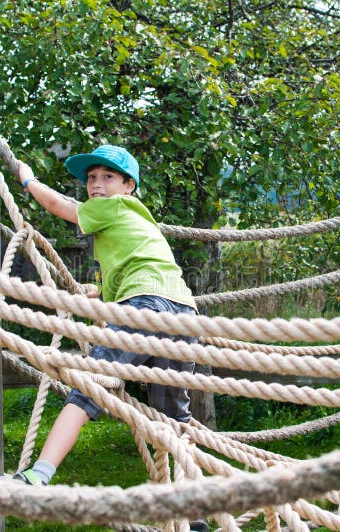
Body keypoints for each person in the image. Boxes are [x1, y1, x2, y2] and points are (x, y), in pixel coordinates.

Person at [13, 146, 206, 529]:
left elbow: (57, 205)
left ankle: (38, 475)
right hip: (184, 313)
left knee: (87, 389)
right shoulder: (138, 221)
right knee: (174, 419)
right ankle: (194, 514)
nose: (96, 185)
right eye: (91, 178)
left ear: (129, 186)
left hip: (146, 307)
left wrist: (27, 178)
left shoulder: (112, 208)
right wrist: (98, 293)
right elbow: (138, 267)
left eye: (108, 177)